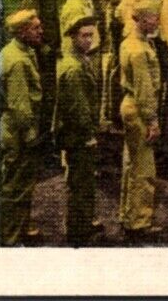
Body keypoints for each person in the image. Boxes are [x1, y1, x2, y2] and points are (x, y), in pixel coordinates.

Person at [0, 9, 45, 245]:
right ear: (23, 31)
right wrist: (30, 134)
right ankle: (11, 238)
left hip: (16, 126)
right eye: (36, 28)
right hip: (19, 130)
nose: (41, 31)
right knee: (16, 186)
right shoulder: (17, 60)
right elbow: (20, 104)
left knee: (23, 183)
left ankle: (22, 228)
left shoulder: (19, 50)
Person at [55, 14, 101, 244]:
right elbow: (78, 107)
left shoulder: (80, 59)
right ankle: (78, 230)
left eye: (91, 35)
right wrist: (88, 135)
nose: (89, 40)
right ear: (73, 36)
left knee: (83, 181)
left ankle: (82, 223)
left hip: (78, 133)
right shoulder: (73, 68)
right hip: (78, 135)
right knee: (80, 183)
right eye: (84, 36)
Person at [118, 0, 162, 238]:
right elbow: (145, 89)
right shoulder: (139, 50)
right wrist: (153, 120)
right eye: (154, 17)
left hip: (130, 104)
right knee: (144, 169)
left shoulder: (130, 43)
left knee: (130, 164)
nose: (157, 21)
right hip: (139, 108)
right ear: (143, 20)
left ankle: (127, 214)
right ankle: (139, 222)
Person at [17, 0, 60, 153]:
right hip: (40, 52)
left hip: (49, 48)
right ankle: (38, 143)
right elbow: (28, 23)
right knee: (41, 95)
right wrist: (42, 48)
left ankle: (43, 138)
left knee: (49, 95)